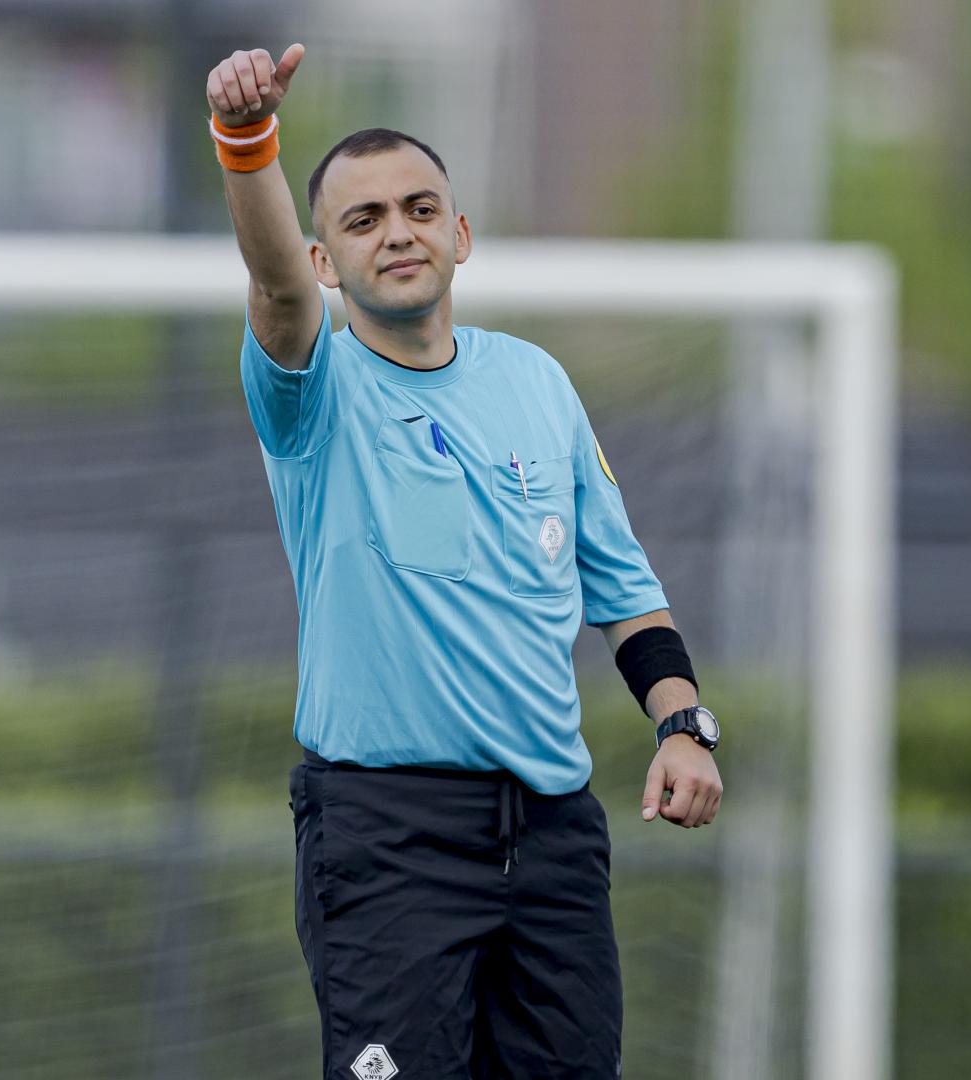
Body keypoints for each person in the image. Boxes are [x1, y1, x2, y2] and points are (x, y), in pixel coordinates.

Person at [206, 44, 724, 1080]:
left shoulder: (536, 382)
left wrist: (682, 725)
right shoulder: (315, 391)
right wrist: (248, 142)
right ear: (324, 261)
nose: (397, 231)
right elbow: (268, 293)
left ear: (461, 233)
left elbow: (622, 591)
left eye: (419, 207)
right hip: (387, 838)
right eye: (362, 220)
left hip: (553, 838)